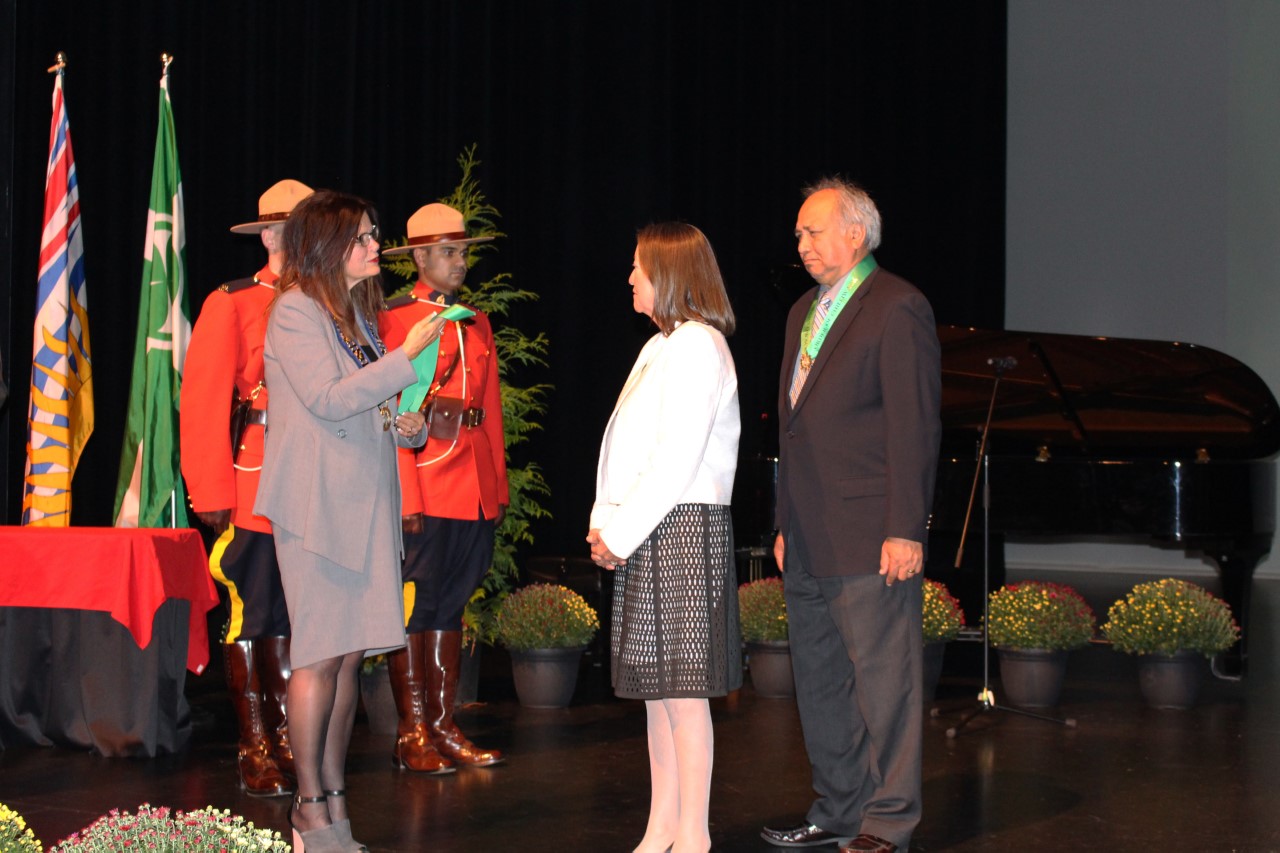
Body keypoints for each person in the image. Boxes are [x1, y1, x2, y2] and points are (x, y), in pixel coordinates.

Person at [254, 189, 443, 853]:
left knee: (346, 660)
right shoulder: (295, 311)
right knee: (317, 658)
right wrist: (407, 354)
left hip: (361, 508)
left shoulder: (352, 315)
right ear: (330, 244)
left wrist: (405, 424)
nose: (375, 247)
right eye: (363, 236)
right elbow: (329, 400)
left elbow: (368, 408)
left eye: (374, 233)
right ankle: (308, 811)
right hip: (316, 509)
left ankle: (334, 808)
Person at [760, 178, 941, 853]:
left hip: (871, 531)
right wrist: (782, 522)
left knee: (885, 681)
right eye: (799, 233)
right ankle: (838, 807)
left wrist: (905, 527)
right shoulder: (803, 310)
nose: (801, 243)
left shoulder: (898, 307)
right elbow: (794, 429)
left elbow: (913, 427)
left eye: (813, 230)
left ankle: (888, 820)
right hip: (807, 532)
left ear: (855, 233)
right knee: (821, 678)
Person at [587, 222, 741, 853]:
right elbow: (625, 448)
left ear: (669, 275)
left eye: (637, 268)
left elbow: (676, 460)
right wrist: (605, 518)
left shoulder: (700, 346)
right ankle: (660, 828)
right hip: (651, 528)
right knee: (657, 692)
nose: (629, 278)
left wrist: (619, 531)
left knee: (683, 694)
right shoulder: (661, 347)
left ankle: (695, 835)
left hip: (681, 528)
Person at [180, 178, 312, 797]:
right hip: (255, 483)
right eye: (290, 226)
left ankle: (291, 738)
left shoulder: (330, 301)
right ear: (267, 235)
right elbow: (204, 403)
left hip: (315, 488)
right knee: (250, 614)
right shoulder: (231, 303)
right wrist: (210, 490)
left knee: (295, 618)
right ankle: (255, 744)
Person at [380, 203, 508, 771]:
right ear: (420, 258)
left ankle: (444, 726)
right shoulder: (394, 318)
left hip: (471, 484)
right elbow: (389, 415)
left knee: (450, 607)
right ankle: (412, 734)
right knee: (417, 606)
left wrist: (496, 488)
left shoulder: (475, 320)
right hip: (425, 481)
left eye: (463, 252)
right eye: (449, 253)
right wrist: (405, 497)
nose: (460, 262)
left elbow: (492, 411)